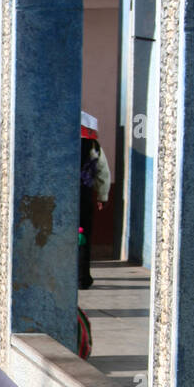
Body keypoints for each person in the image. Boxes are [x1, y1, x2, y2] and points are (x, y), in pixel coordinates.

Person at [79, 112, 111, 290]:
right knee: (82, 235)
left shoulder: (57, 141)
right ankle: (82, 277)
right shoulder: (93, 146)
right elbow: (103, 172)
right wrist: (102, 196)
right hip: (83, 197)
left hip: (58, 200)